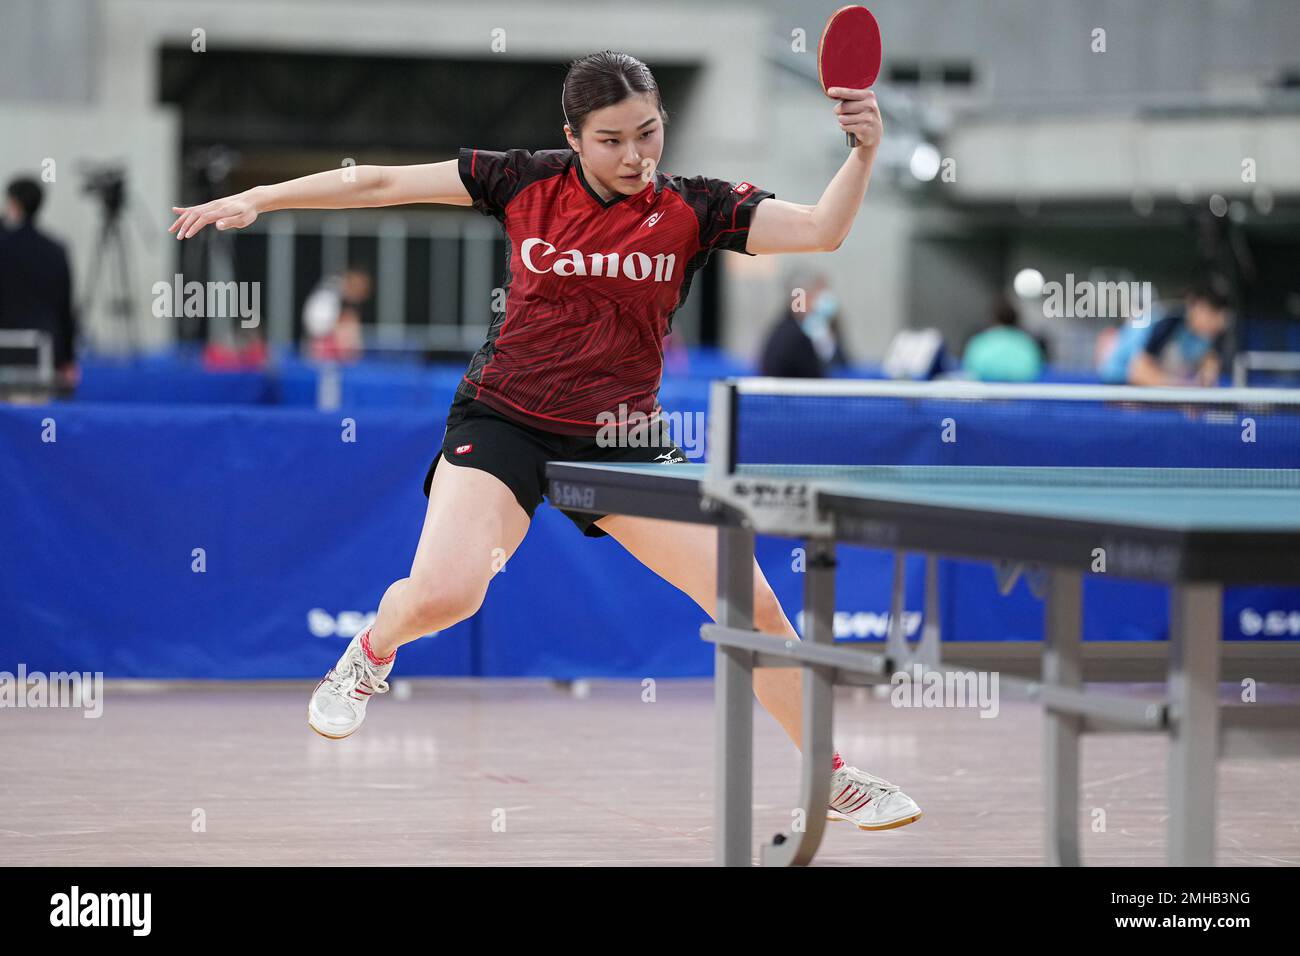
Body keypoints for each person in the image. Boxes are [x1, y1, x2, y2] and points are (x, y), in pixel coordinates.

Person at [170, 51, 921, 832]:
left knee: (754, 601)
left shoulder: (695, 207)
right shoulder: (523, 180)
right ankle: (371, 653)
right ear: (573, 136)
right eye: (611, 140)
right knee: (446, 596)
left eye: (649, 132)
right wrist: (261, 196)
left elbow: (821, 231)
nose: (636, 155)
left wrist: (863, 152)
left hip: (621, 436)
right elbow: (381, 182)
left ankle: (830, 776)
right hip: (504, 421)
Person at [0, 177, 79, 392]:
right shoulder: (55, 250)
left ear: (13, 204)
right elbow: (65, 309)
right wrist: (69, 359)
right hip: (46, 354)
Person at [1098, 279, 1230, 386]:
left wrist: (1207, 374)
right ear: (1193, 304)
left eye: (1220, 313)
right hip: (1118, 383)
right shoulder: (1169, 321)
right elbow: (1138, 373)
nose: (1218, 321)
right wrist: (1185, 390)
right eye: (1212, 311)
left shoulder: (1206, 335)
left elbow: (1209, 366)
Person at [758, 272, 847, 377]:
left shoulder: (815, 330)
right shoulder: (791, 335)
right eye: (817, 295)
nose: (824, 301)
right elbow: (813, 376)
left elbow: (843, 363)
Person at [962, 295, 1044, 382]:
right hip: (1020, 392)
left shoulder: (980, 342)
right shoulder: (1028, 344)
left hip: (987, 393)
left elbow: (970, 371)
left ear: (993, 318)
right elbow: (1034, 372)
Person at [301, 266, 370, 363]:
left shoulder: (336, 293)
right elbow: (317, 326)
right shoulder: (328, 294)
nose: (362, 295)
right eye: (361, 288)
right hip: (322, 350)